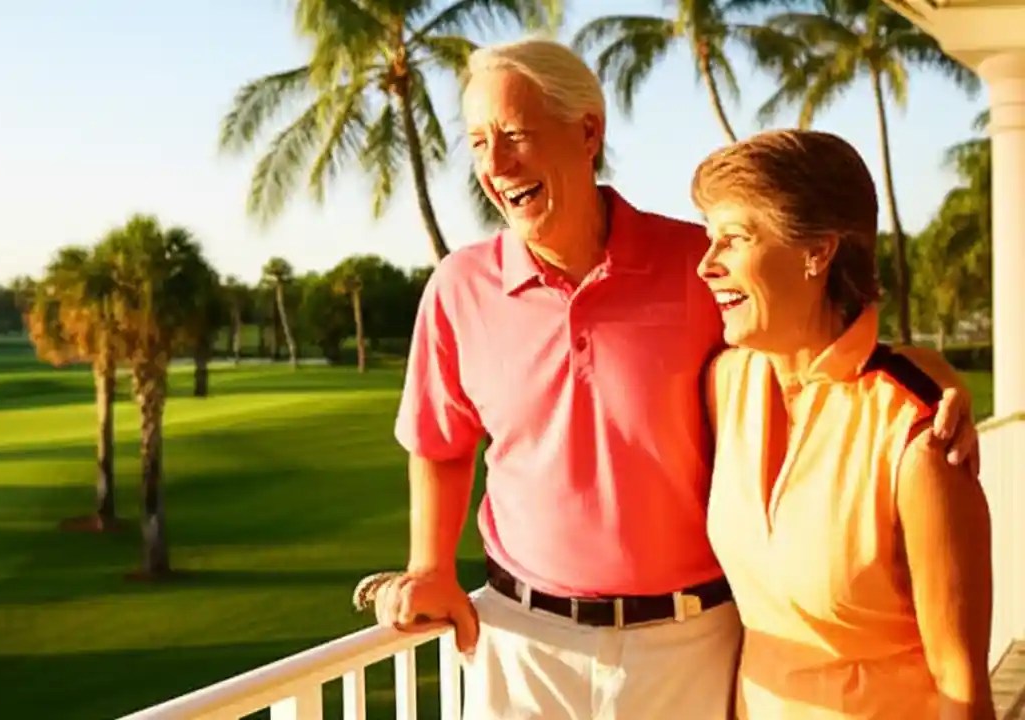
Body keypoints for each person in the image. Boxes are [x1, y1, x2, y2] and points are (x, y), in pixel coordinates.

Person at [368, 37, 979, 719]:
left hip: (691, 642)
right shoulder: (459, 288)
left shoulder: (695, 264)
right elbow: (438, 440)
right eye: (478, 142)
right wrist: (431, 565)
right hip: (523, 641)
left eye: (514, 134)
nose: (495, 163)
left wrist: (932, 382)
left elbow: (813, 342)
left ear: (588, 131)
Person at [695, 129, 993, 719]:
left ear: (818, 250)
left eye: (734, 239)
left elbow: (960, 679)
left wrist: (939, 386)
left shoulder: (916, 432)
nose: (707, 265)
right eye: (709, 238)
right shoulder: (725, 385)